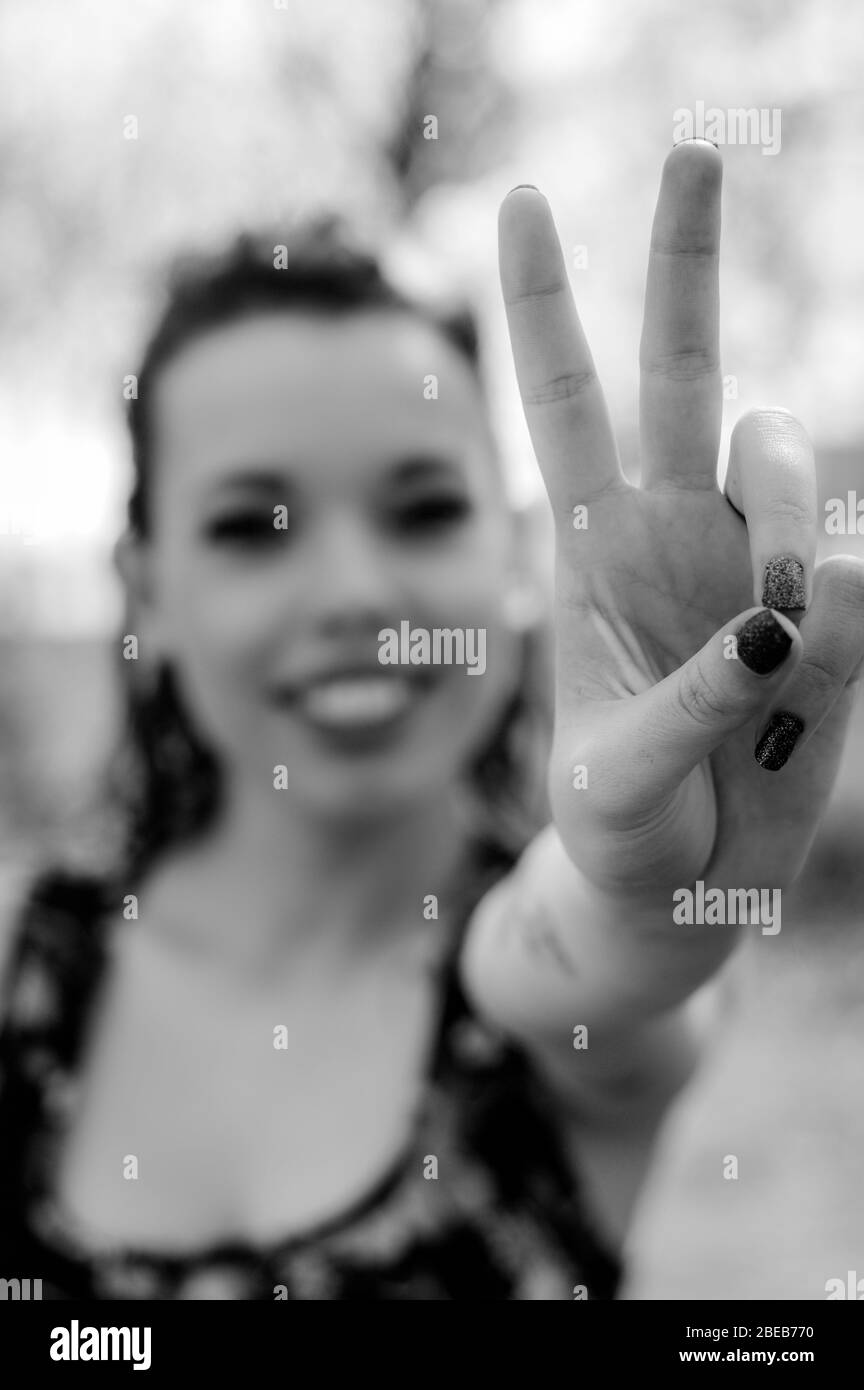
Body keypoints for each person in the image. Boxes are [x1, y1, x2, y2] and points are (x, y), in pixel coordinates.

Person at [0, 140, 861, 1300]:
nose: (356, 591)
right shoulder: (27, 959)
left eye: (422, 509)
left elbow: (593, 957)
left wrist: (644, 893)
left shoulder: (538, 994)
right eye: (254, 526)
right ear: (148, 590)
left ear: (513, 558)